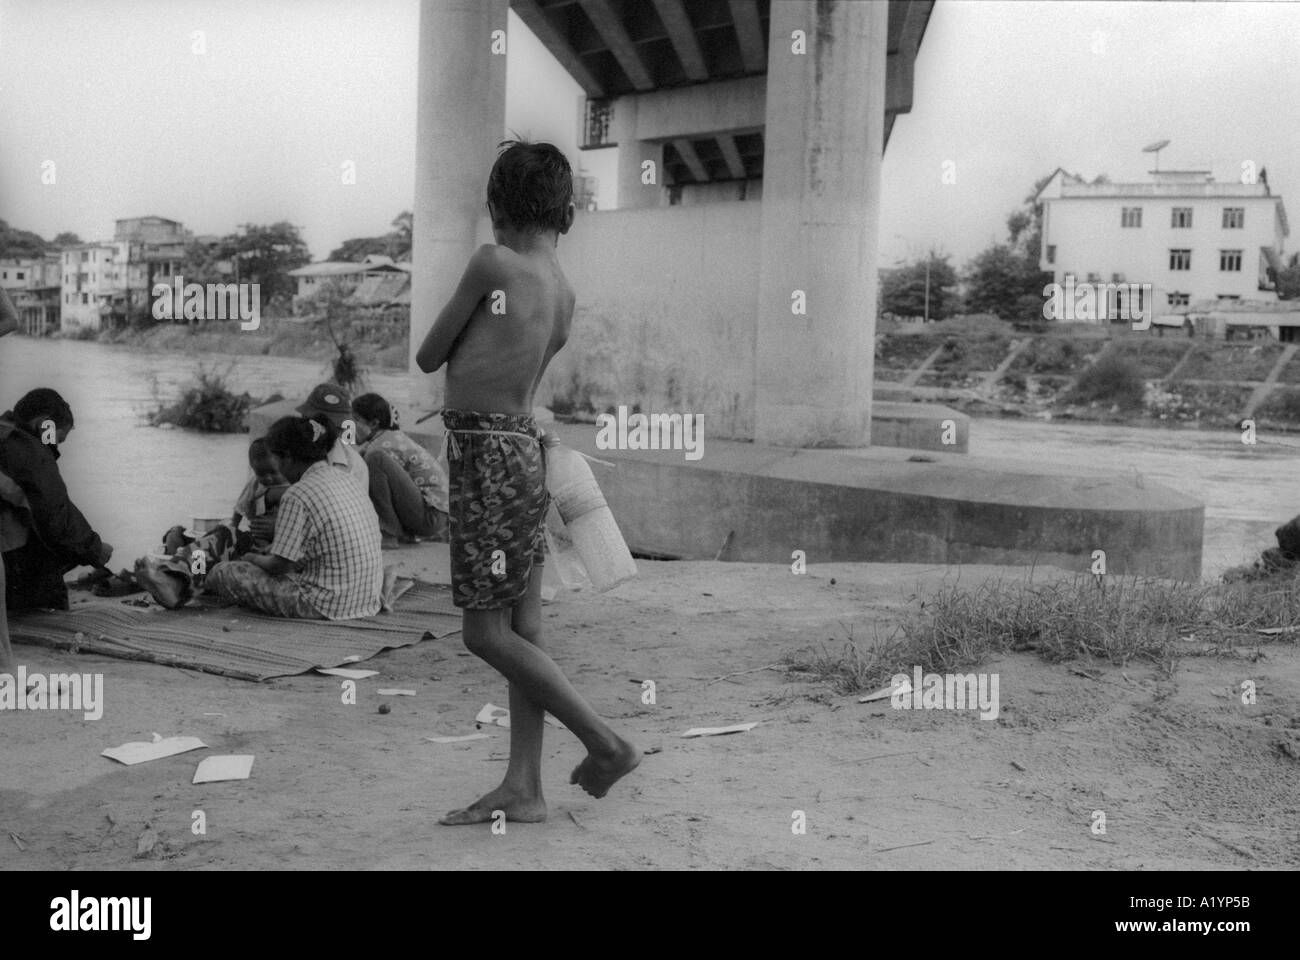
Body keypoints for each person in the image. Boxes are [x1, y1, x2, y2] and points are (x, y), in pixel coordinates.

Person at [416, 139, 639, 825]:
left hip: (486, 456)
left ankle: (605, 742)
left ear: (496, 207)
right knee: (525, 626)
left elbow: (430, 352)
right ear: (564, 214)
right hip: (527, 450)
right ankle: (524, 785)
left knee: (484, 634)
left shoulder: (493, 263)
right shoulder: (565, 293)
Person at [202, 415, 382, 620]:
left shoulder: (297, 494)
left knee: (225, 572)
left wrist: (251, 558)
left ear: (286, 457)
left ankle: (189, 583)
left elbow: (279, 567)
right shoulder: (346, 479)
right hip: (367, 598)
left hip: (327, 604)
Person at [0, 388, 113, 612]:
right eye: (58, 438)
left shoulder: (5, 434)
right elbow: (54, 515)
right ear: (45, 424)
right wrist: (96, 549)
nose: (56, 446)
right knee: (52, 571)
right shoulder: (30, 451)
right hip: (7, 557)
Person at [351, 392, 449, 547]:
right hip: (431, 513)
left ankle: (387, 533)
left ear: (374, 423)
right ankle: (400, 533)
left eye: (355, 420)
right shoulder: (387, 438)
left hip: (431, 515)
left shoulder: (382, 446)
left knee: (375, 459)